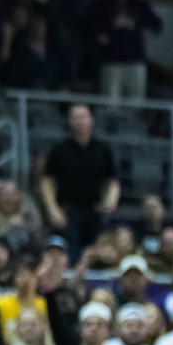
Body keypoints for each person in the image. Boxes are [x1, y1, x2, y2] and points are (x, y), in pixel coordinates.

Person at [41, 105, 118, 256]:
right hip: (69, 212)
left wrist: (111, 199)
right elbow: (46, 182)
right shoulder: (59, 150)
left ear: (91, 120)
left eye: (83, 117)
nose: (80, 121)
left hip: (95, 212)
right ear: (69, 122)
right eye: (75, 117)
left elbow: (112, 181)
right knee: (72, 254)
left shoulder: (103, 149)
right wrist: (53, 209)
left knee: (95, 254)